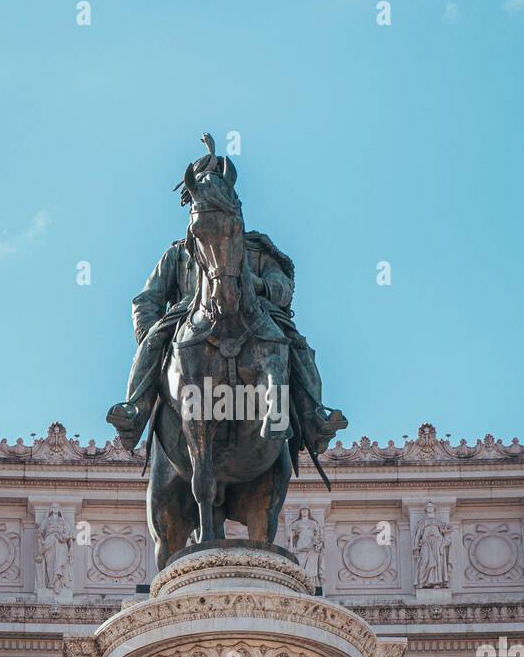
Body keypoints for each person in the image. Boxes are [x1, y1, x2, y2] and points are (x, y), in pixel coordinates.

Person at [107, 134, 346, 458]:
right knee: (152, 343)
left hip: (255, 314)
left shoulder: (258, 247)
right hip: (189, 317)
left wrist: (258, 285)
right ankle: (135, 409)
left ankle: (315, 415)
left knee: (298, 346)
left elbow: (283, 289)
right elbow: (146, 299)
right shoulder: (178, 254)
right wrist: (150, 331)